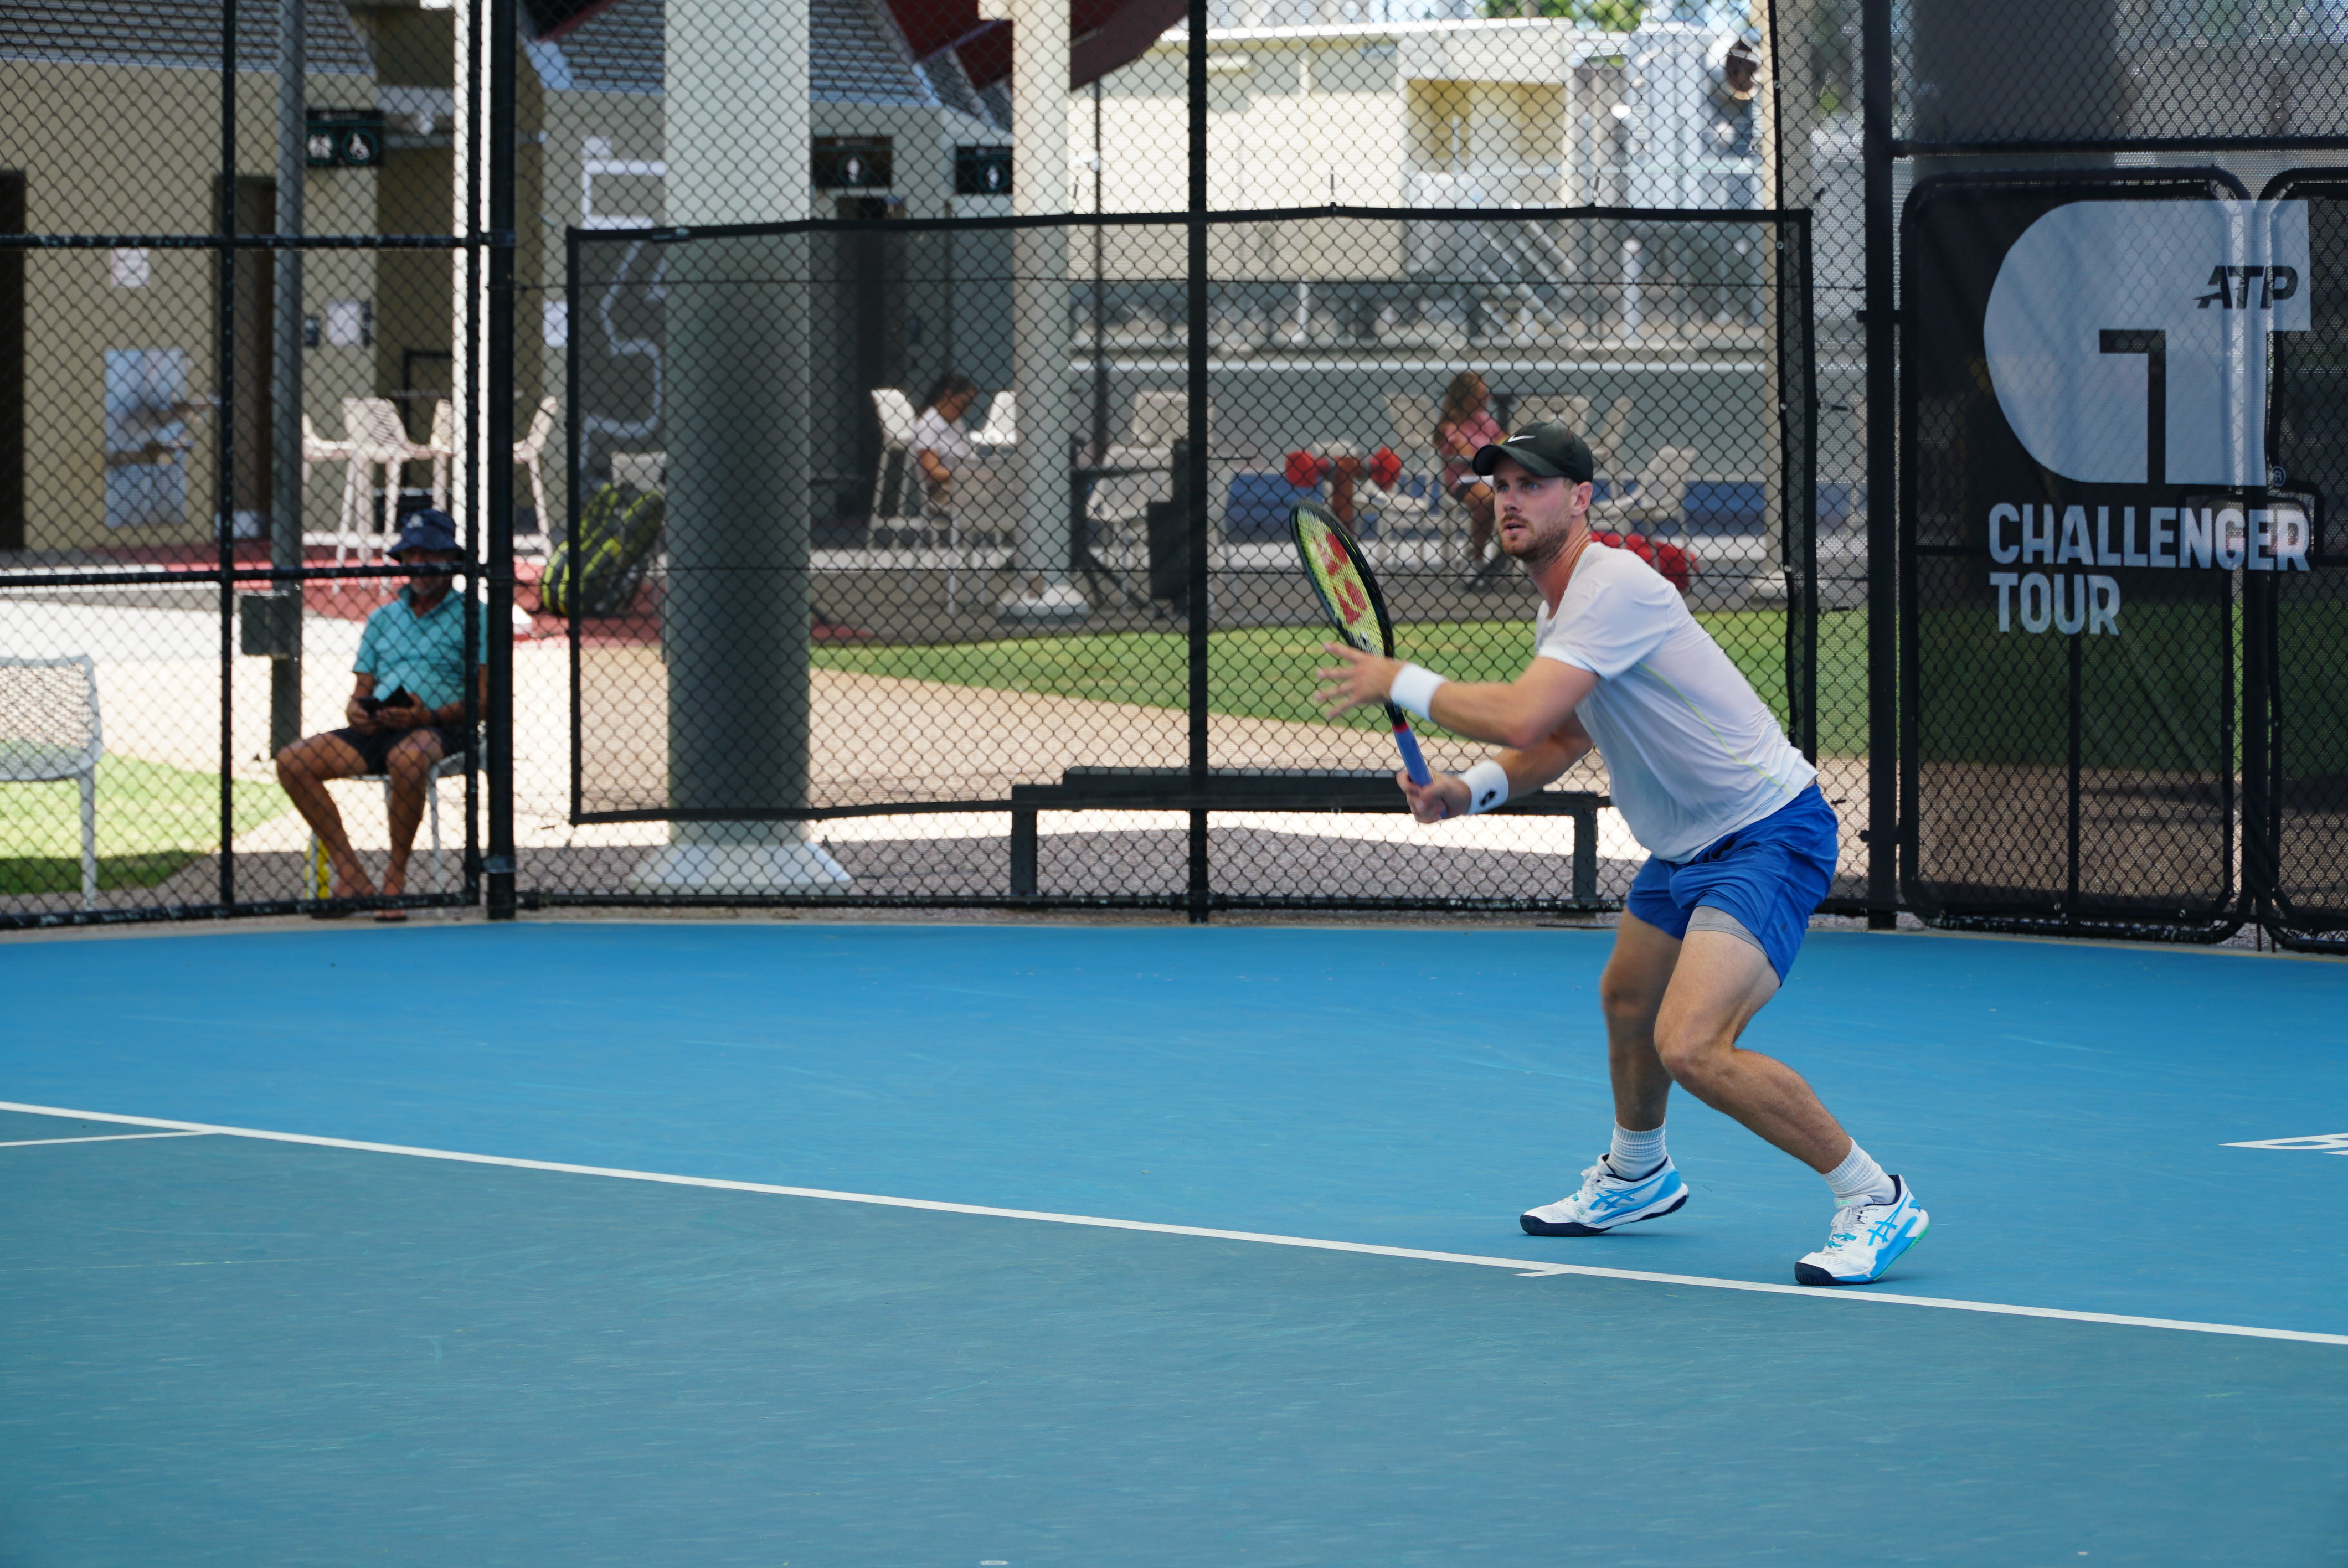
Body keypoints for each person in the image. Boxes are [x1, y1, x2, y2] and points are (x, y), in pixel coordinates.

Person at [1313, 424, 1927, 1287]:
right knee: (1628, 999)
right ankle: (1639, 1174)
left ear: (1582, 499)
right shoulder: (1558, 608)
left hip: (1765, 831)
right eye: (1502, 486)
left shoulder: (1615, 586)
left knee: (1693, 1044)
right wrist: (1469, 791)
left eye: (1534, 484)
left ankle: (1876, 1196)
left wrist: (1399, 680)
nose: (1512, 499)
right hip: (1685, 846)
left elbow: (1525, 714)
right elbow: (1561, 736)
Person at [274, 510, 489, 921]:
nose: (421, 564)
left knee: (406, 759)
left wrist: (429, 715)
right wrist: (357, 712)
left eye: (432, 554)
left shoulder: (476, 616)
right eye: (412, 555)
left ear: (452, 560)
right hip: (382, 727)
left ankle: (396, 874)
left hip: (442, 728)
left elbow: (487, 700)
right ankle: (352, 874)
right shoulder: (381, 617)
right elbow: (361, 692)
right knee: (293, 761)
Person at [1433, 370, 1504, 571]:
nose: (1487, 398)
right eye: (1481, 394)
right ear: (1467, 397)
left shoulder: (1485, 421)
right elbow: (1464, 455)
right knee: (1487, 500)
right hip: (1464, 480)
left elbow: (1504, 441)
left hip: (1492, 476)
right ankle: (1477, 555)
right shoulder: (1451, 425)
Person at [908, 374, 979, 511]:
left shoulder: (955, 423)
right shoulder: (928, 425)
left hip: (964, 484)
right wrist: (966, 476)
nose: (967, 410)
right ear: (948, 395)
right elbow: (932, 472)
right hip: (942, 490)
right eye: (964, 402)